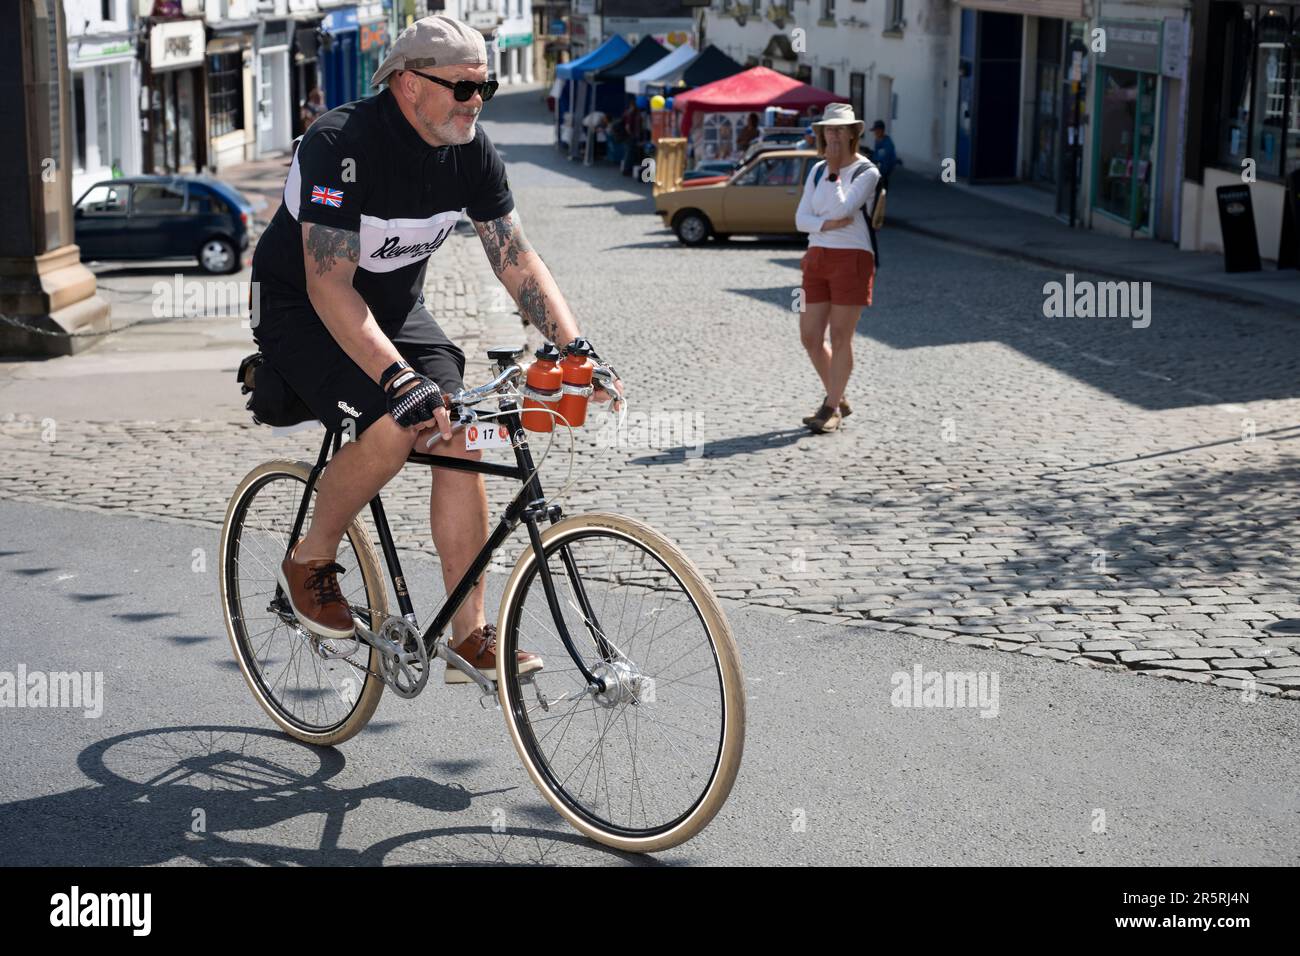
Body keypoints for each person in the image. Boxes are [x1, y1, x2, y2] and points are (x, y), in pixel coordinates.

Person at [249, 15, 624, 681]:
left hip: (393, 311)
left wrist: (575, 346)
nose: (475, 99)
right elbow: (328, 283)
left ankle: (468, 636)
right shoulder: (342, 142)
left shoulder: (470, 151)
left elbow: (514, 259)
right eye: (463, 87)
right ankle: (310, 560)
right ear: (409, 84)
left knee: (463, 434)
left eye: (486, 85)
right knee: (398, 424)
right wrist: (396, 379)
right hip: (300, 309)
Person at [793, 102, 880, 434]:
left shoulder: (866, 172)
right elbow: (801, 220)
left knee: (841, 336)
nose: (833, 134)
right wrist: (826, 225)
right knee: (810, 336)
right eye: (828, 129)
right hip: (817, 257)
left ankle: (831, 407)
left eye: (839, 129)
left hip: (852, 257)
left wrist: (834, 170)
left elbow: (846, 206)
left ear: (853, 134)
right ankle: (838, 394)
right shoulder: (816, 170)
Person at [869, 119, 898, 184]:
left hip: (882, 175)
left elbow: (885, 162)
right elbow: (876, 156)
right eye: (874, 131)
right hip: (877, 173)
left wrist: (881, 176)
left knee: (881, 191)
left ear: (881, 130)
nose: (875, 133)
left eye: (876, 131)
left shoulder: (887, 144)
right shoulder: (878, 140)